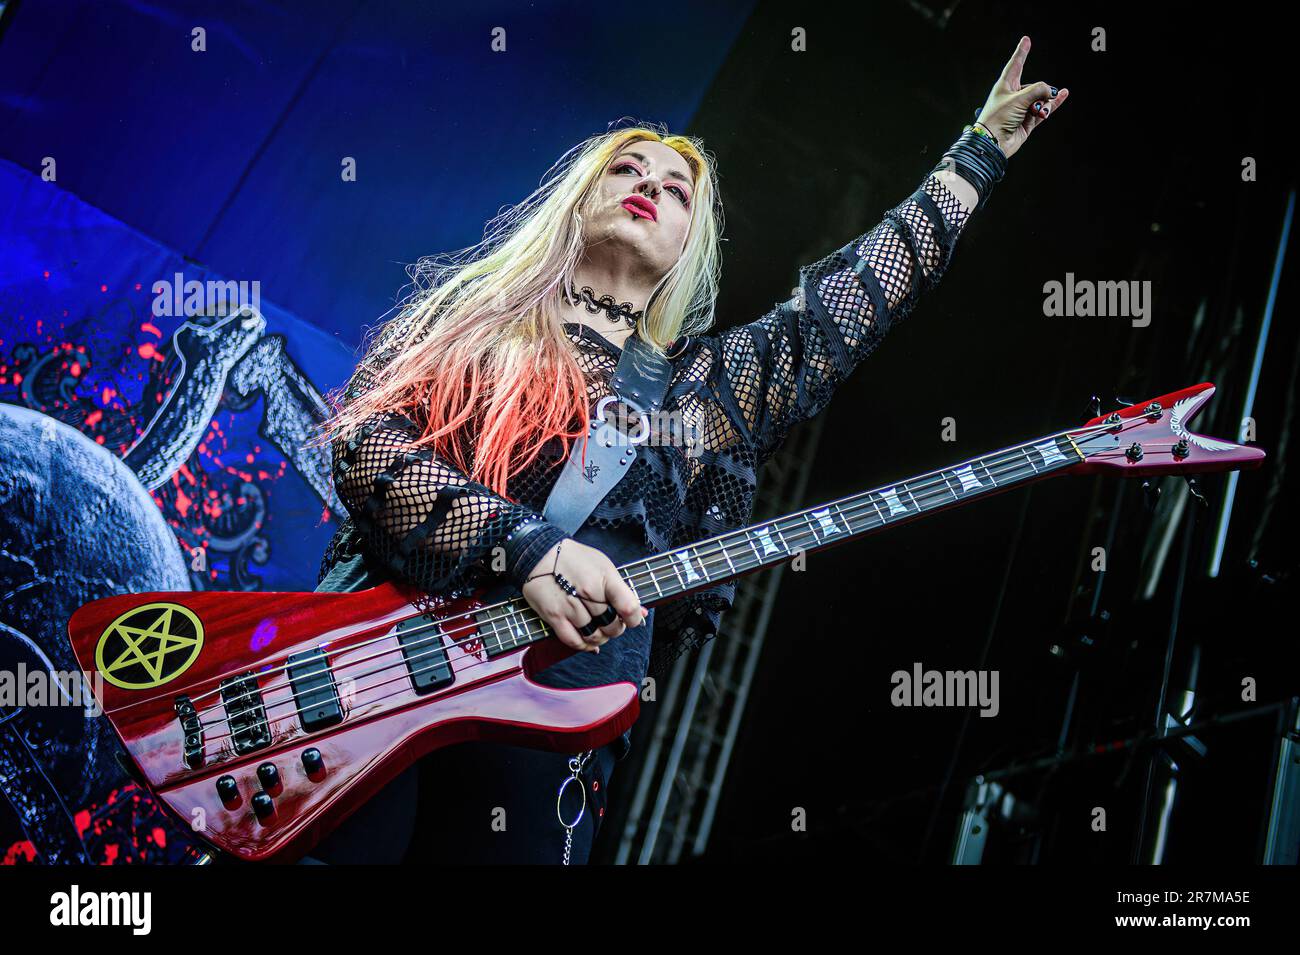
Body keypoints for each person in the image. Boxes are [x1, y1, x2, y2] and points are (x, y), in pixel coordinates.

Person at [307, 36, 1066, 864]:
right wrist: (522, 549)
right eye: (628, 170)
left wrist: (979, 153)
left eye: (676, 191)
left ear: (689, 242)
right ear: (580, 196)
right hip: (363, 686)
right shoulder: (461, 322)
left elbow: (847, 306)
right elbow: (367, 448)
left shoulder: (701, 396)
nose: (649, 188)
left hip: (546, 724)